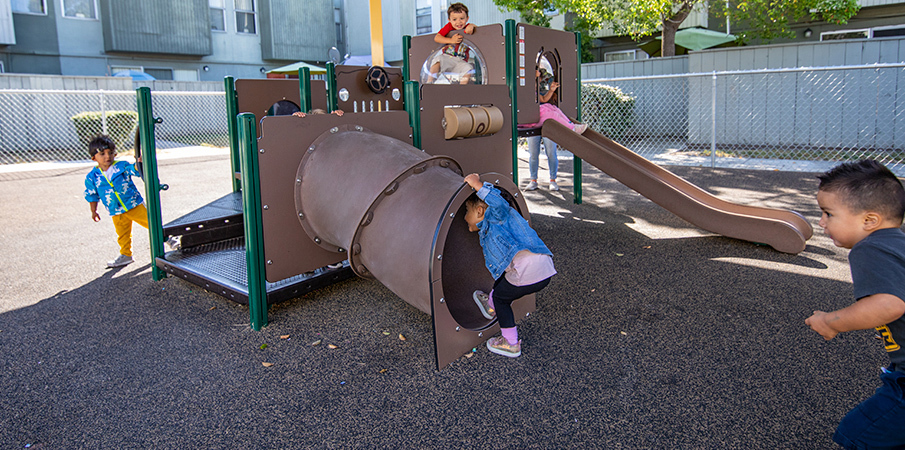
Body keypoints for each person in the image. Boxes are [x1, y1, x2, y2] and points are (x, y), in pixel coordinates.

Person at [805, 159, 905, 449]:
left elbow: (889, 305)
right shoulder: (896, 243)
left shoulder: (869, 248)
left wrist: (830, 322)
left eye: (828, 214)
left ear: (869, 221)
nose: (821, 222)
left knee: (859, 433)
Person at [463, 173, 557, 357]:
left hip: (526, 271)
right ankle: (490, 305)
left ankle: (510, 342)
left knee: (502, 300)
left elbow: (497, 203)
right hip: (544, 269)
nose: (465, 216)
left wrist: (478, 185)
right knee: (503, 282)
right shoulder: (492, 226)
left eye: (467, 211)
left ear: (480, 211)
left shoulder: (496, 215)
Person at [84, 135, 148, 268]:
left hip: (133, 204)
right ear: (93, 158)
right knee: (123, 234)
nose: (107, 156)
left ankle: (170, 238)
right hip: (115, 210)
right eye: (102, 154)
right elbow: (92, 195)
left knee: (151, 223)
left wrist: (138, 164)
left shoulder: (121, 166)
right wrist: (93, 211)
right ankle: (126, 254)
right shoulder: (92, 177)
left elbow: (134, 170)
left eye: (110, 153)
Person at [428, 3, 476, 85]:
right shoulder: (449, 27)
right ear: (449, 20)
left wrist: (472, 25)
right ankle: (429, 82)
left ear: (467, 19)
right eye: (454, 19)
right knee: (438, 59)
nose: (458, 22)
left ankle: (461, 89)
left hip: (461, 61)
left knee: (469, 68)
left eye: (462, 18)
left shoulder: (468, 27)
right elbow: (437, 38)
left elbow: (477, 31)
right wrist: (451, 40)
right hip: (448, 58)